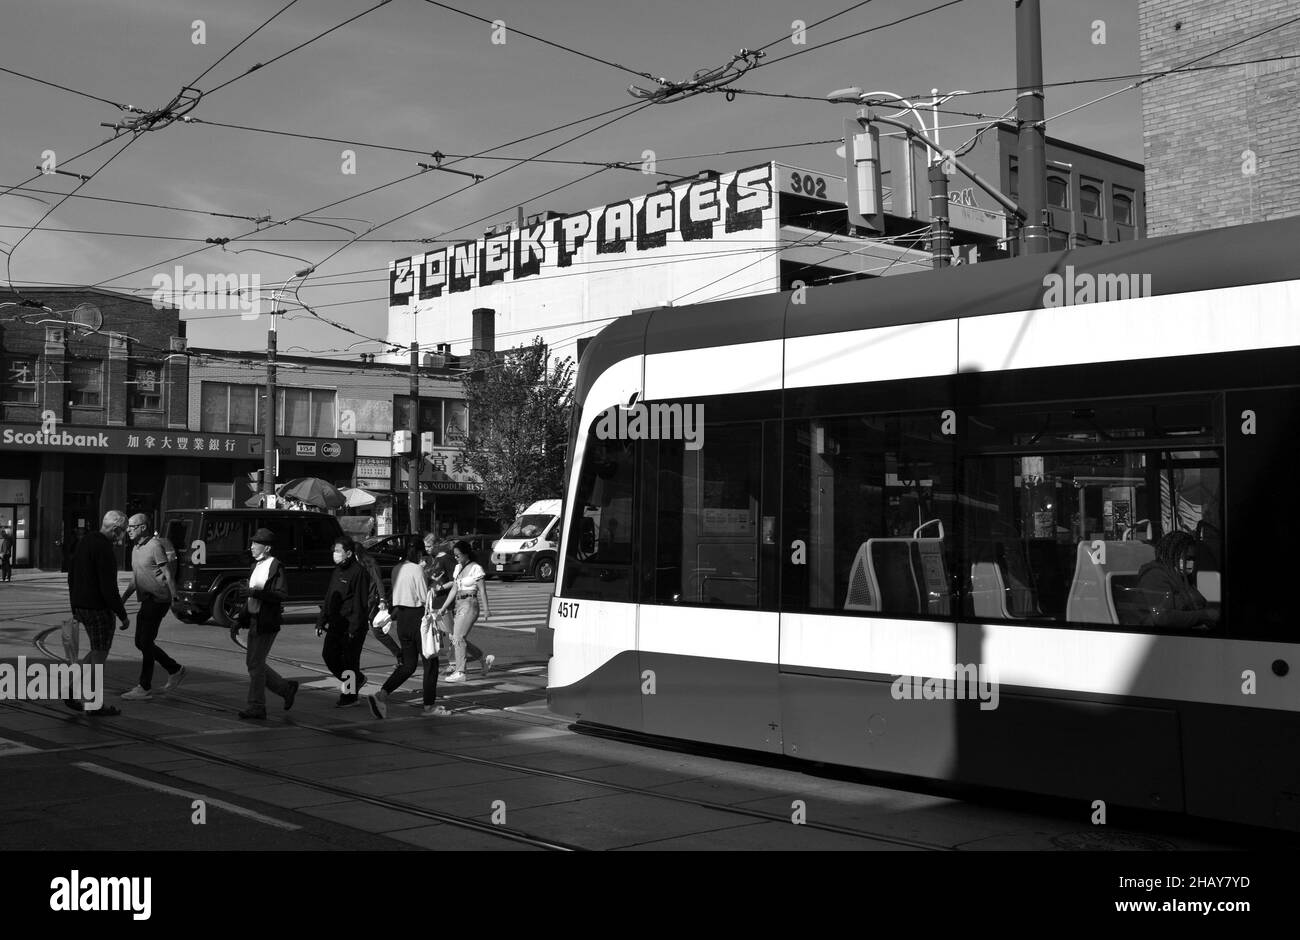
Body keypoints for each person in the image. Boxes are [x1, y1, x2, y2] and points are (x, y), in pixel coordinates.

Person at [368, 543, 450, 719]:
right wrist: (431, 585)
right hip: (417, 617)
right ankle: (429, 706)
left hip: (402, 618)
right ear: (418, 553)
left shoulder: (396, 568)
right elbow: (422, 596)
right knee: (430, 661)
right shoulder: (417, 569)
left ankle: (382, 694)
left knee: (408, 664)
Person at [65, 510, 130, 716]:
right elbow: (108, 587)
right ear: (116, 529)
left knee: (95, 651)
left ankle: (71, 689)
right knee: (99, 657)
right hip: (98, 609)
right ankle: (94, 702)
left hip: (82, 607)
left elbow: (71, 575)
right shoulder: (104, 548)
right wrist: (122, 614)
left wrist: (74, 604)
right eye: (123, 532)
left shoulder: (85, 542)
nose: (123, 536)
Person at [230, 527, 298, 720]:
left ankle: (257, 705)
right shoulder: (256, 566)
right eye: (252, 543)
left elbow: (281, 594)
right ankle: (285, 689)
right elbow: (250, 599)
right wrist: (240, 619)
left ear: (266, 548)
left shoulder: (275, 566)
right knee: (254, 664)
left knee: (255, 664)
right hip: (253, 620)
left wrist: (255, 593)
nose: (251, 547)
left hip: (266, 622)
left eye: (255, 543)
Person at [119, 514, 185, 701]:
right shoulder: (135, 548)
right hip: (147, 599)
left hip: (159, 599)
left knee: (145, 642)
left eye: (132, 526)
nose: (128, 530)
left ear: (143, 527)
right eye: (128, 527)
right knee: (141, 642)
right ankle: (174, 669)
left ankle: (144, 686)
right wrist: (123, 599)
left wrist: (175, 598)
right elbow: (136, 578)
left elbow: (168, 573)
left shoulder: (154, 546)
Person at [316, 534, 370, 706]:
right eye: (334, 550)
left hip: (351, 627)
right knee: (329, 655)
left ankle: (349, 696)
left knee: (350, 661)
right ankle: (356, 681)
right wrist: (321, 620)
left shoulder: (359, 572)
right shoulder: (337, 570)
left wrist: (354, 629)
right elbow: (329, 597)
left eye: (338, 550)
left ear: (348, 553)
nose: (335, 553)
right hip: (336, 623)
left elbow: (360, 604)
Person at [1137, 530, 1220, 630]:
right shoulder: (1155, 576)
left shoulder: (1182, 578)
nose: (1190, 563)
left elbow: (1197, 604)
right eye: (1186, 558)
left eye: (1193, 559)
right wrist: (1204, 615)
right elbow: (1162, 617)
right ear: (1170, 555)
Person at [437, 539, 494, 682]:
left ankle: (460, 671)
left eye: (458, 555)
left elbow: (482, 590)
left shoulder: (476, 568)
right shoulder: (457, 568)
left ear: (466, 554)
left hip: (470, 603)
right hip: (458, 603)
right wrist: (444, 607)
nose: (456, 558)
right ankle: (483, 659)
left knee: (457, 637)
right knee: (458, 638)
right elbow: (454, 589)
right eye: (454, 555)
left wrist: (487, 609)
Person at [356, 540, 401, 664]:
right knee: (361, 633)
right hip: (362, 602)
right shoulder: (357, 565)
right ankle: (354, 662)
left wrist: (382, 599)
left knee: (376, 631)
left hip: (371, 602)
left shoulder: (370, 564)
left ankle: (400, 655)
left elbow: (379, 582)